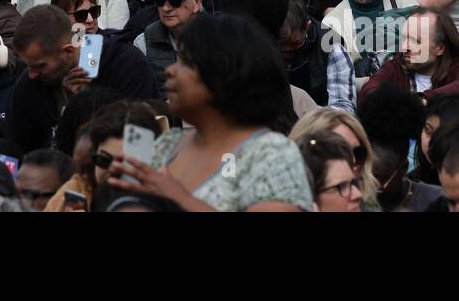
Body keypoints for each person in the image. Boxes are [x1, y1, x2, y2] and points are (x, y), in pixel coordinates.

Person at [108, 13, 312, 211]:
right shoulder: (166, 145)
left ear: (223, 76)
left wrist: (176, 197)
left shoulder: (272, 154)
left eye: (186, 62)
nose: (170, 70)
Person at [7, 4, 156, 152]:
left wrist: (82, 103)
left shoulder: (125, 64)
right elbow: (21, 150)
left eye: (40, 66)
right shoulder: (30, 83)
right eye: (29, 66)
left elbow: (141, 142)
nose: (32, 74)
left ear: (68, 51)